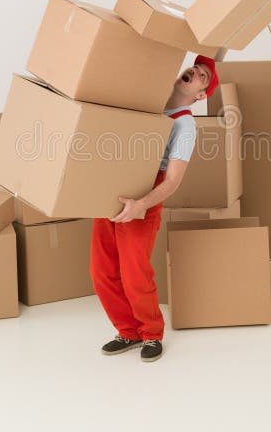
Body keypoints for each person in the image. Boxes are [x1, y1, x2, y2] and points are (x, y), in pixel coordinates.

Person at [89, 54, 219, 363]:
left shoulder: (185, 125)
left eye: (203, 76)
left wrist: (141, 206)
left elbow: (173, 179)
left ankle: (150, 333)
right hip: (113, 189)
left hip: (145, 196)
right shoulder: (147, 99)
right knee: (101, 271)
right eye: (195, 68)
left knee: (134, 273)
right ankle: (128, 331)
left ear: (201, 95)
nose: (195, 72)